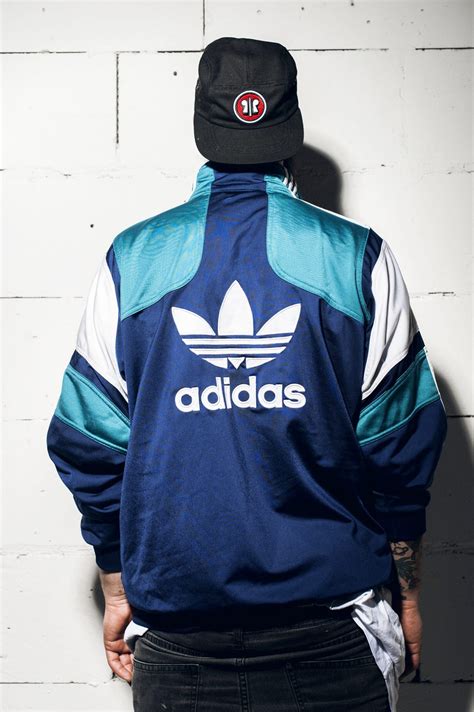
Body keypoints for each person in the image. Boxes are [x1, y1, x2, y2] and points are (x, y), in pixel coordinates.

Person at [46, 36, 448, 712]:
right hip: (332, 644)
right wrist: (408, 594)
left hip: (177, 649)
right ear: (290, 129)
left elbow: (88, 442)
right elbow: (400, 445)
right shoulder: (357, 257)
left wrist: (116, 585)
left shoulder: (132, 260)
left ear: (201, 126)